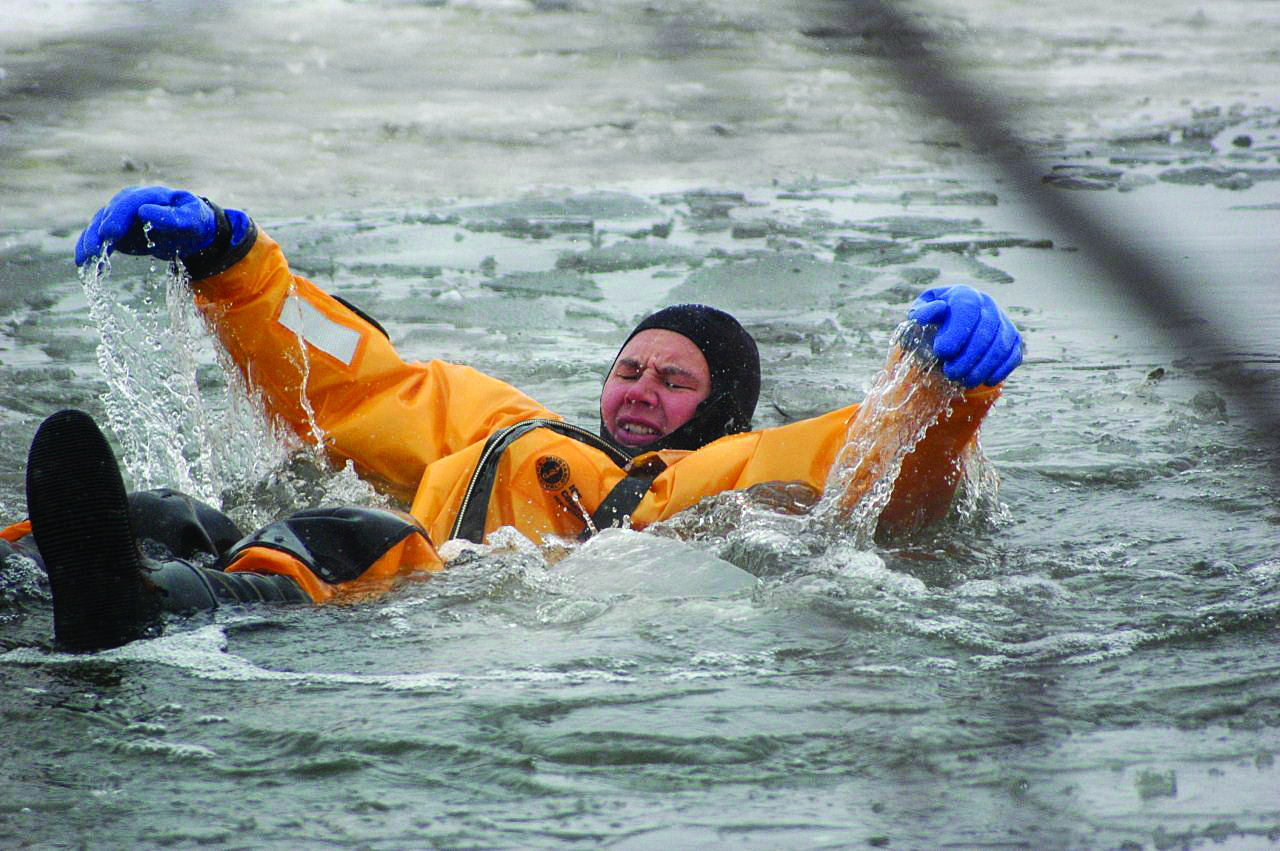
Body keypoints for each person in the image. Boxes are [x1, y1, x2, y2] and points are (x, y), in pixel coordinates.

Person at [1, 186, 1023, 651]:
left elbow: (870, 460)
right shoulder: (498, 420)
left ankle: (147, 609)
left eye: (673, 381)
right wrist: (234, 259)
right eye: (629, 366)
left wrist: (944, 385)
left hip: (442, 593)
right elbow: (354, 381)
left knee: (348, 534)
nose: (638, 388)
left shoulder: (720, 473)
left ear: (716, 411)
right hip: (406, 567)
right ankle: (32, 562)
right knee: (180, 511)